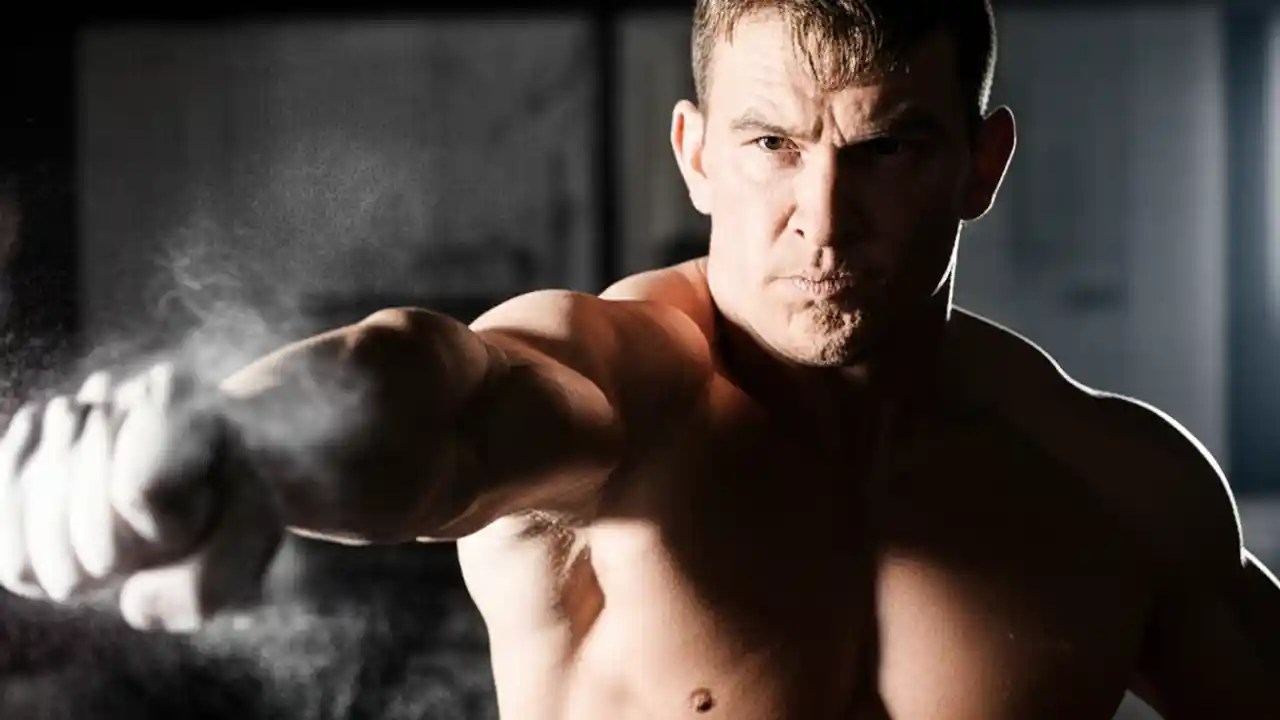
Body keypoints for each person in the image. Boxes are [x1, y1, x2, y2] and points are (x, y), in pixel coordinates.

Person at [1, 1, 1277, 717]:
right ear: (694, 151)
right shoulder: (619, 388)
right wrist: (245, 446)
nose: (820, 222)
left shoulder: (1119, 486)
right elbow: (441, 399)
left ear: (980, 164)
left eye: (884, 150)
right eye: (771, 144)